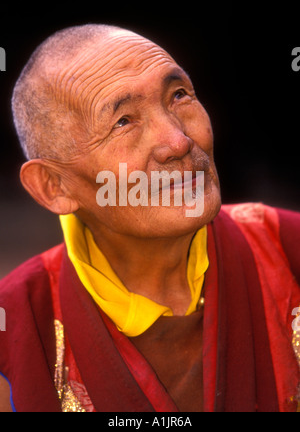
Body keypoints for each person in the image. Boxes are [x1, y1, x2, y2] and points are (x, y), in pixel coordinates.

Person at [0, 24, 299, 413]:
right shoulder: (16, 331)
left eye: (178, 96)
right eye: (123, 121)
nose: (179, 142)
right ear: (54, 185)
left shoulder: (288, 250)